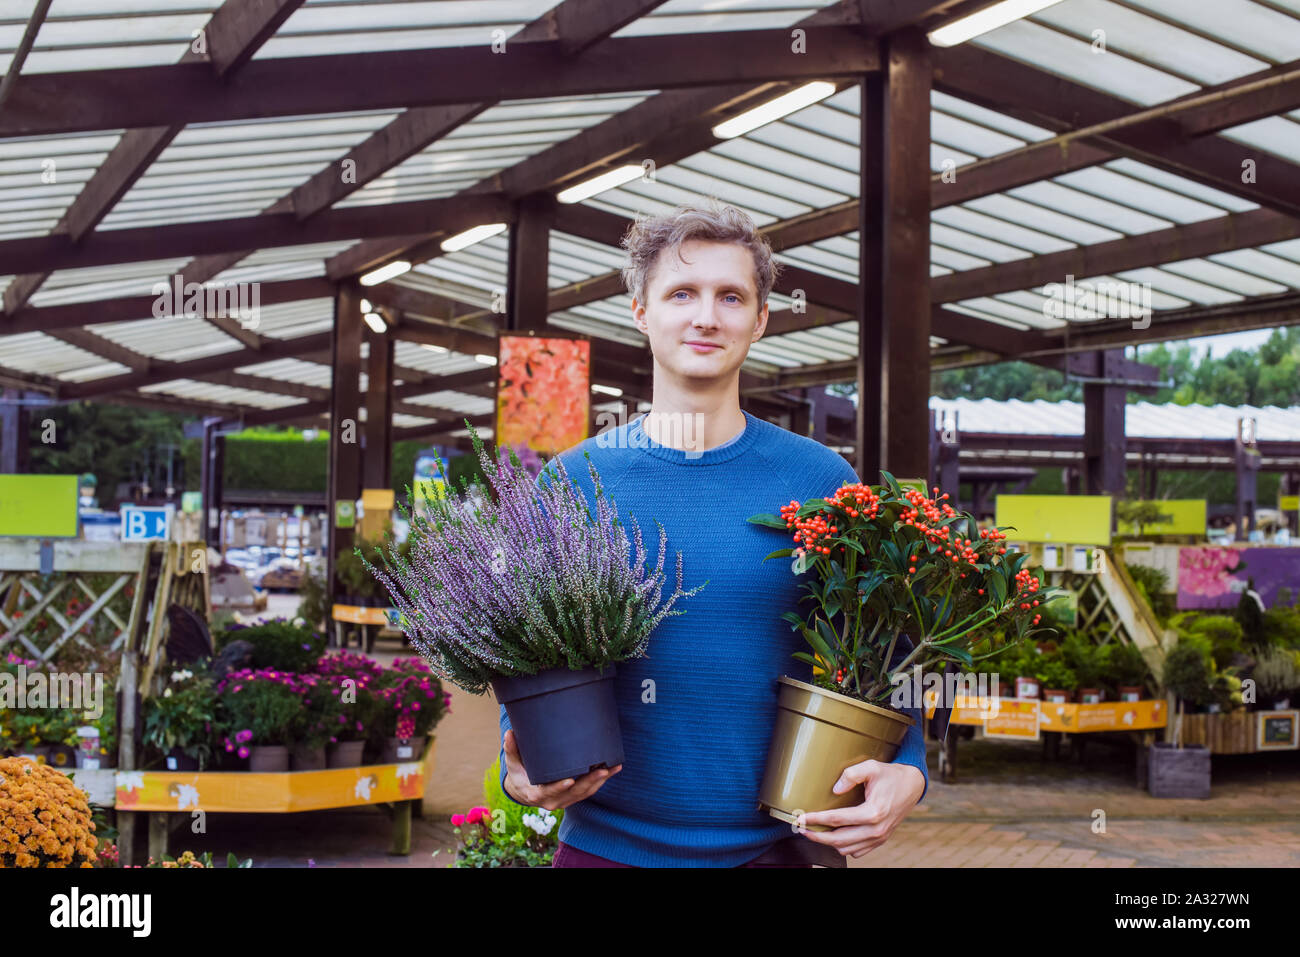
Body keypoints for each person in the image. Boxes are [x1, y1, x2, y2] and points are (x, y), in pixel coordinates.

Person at [497, 199, 928, 868]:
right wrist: (515, 757)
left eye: (731, 296)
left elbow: (890, 644)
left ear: (759, 319)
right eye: (682, 293)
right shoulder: (574, 482)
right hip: (606, 852)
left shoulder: (820, 480)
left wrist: (912, 765)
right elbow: (530, 659)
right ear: (641, 310)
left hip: (781, 850)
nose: (705, 315)